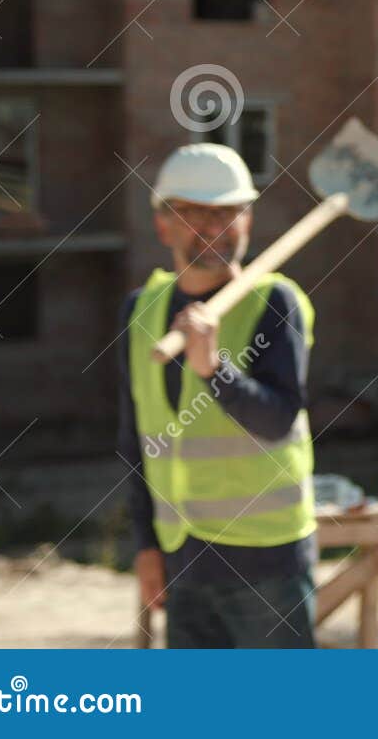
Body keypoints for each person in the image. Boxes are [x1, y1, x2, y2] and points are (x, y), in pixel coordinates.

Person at [118, 143, 319, 648]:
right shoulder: (141, 311)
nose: (212, 228)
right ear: (163, 224)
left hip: (266, 559)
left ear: (247, 222)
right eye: (194, 214)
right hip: (183, 555)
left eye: (227, 213)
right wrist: (145, 545)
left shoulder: (274, 303)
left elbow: (276, 419)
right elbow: (135, 437)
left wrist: (215, 371)